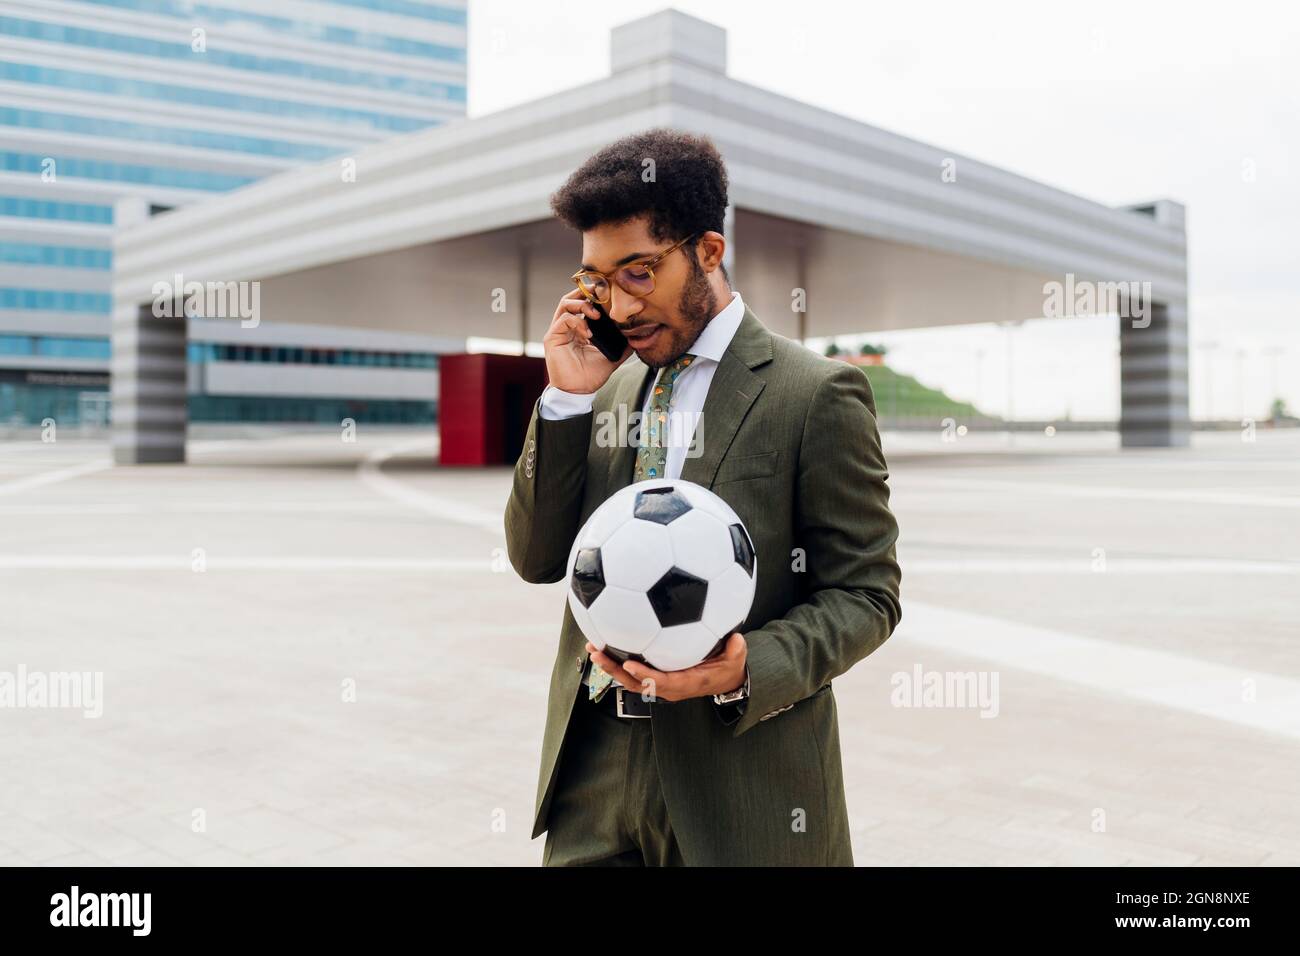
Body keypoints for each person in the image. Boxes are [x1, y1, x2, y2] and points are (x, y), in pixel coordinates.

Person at [504, 128, 902, 866]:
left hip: (743, 784)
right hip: (593, 772)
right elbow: (534, 559)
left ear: (708, 253)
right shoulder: (604, 385)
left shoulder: (814, 394)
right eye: (596, 278)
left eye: (639, 272)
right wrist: (562, 401)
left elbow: (869, 595)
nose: (616, 305)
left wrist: (750, 664)